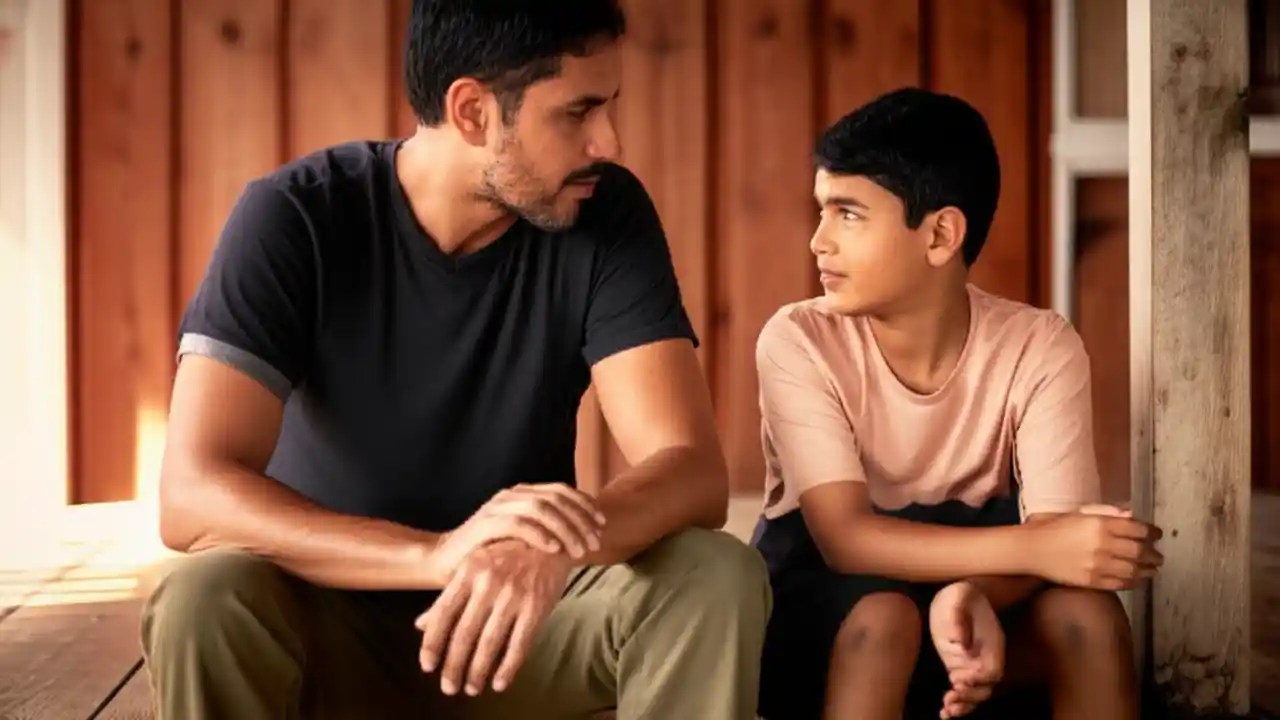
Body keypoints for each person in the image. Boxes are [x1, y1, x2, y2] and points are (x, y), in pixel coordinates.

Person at [142, 2, 770, 718]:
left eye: (610, 107)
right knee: (201, 597)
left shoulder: (604, 213)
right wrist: (437, 555)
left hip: (523, 626)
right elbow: (191, 494)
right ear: (472, 110)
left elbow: (690, 468)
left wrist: (551, 546)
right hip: (325, 628)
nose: (610, 142)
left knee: (712, 572)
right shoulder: (296, 216)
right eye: (578, 112)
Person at [751, 87, 1163, 720]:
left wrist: (968, 594)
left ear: (941, 234)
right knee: (886, 619)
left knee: (1088, 615)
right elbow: (845, 540)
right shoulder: (799, 339)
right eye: (822, 210)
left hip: (983, 606)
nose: (818, 242)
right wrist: (1034, 549)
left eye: (849, 214)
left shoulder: (1039, 345)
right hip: (831, 614)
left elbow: (1064, 548)